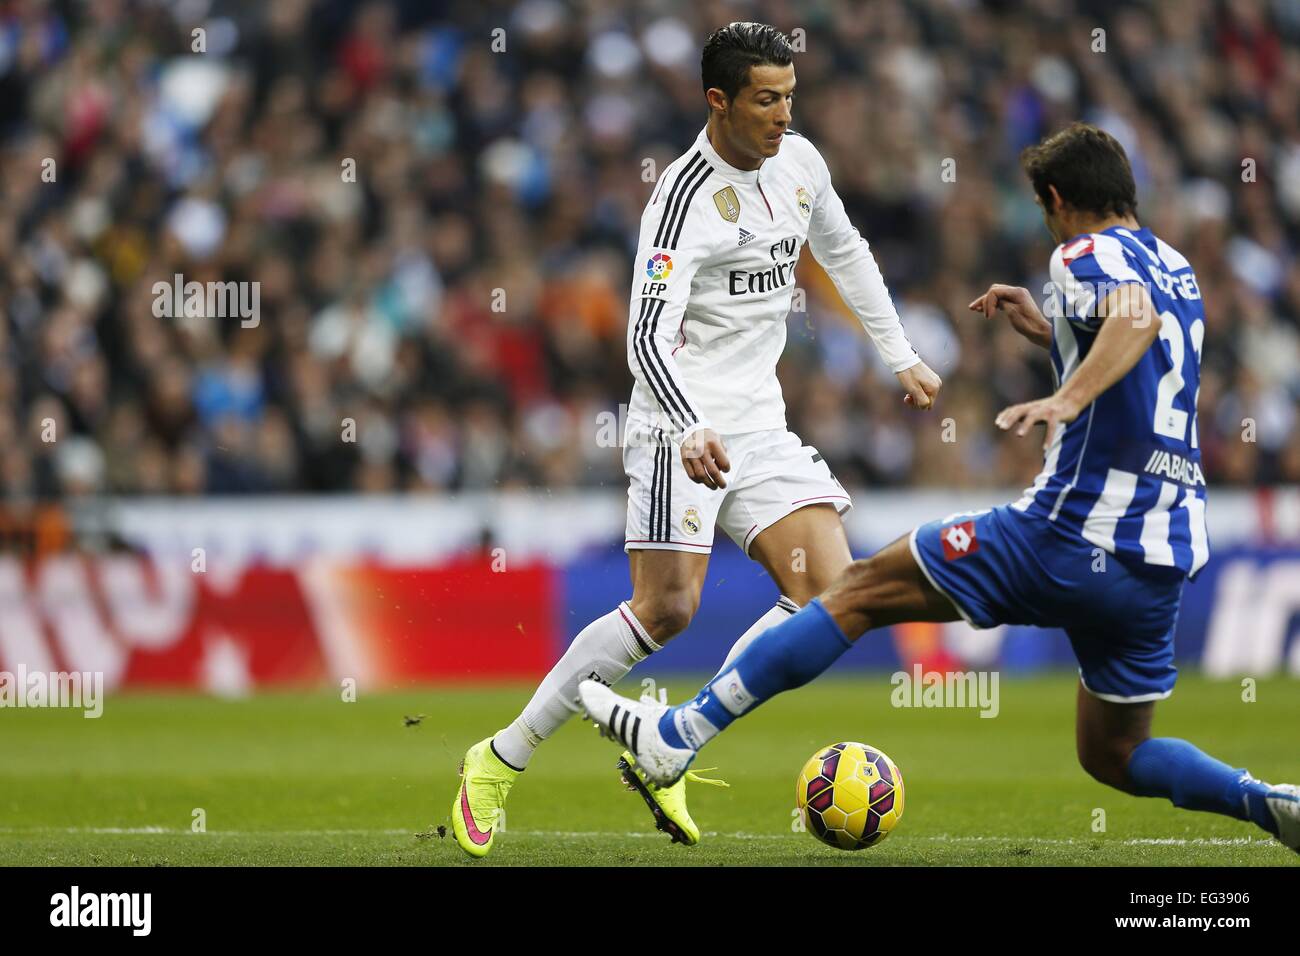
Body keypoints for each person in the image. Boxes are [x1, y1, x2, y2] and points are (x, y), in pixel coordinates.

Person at [579, 122, 1300, 855]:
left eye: (1043, 209)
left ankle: (677, 735)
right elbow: (1145, 353)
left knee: (854, 591)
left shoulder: (1083, 254)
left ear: (1057, 199)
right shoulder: (1176, 267)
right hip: (1160, 556)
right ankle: (1267, 801)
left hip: (1072, 530)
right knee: (1117, 753)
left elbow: (1132, 319)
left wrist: (1066, 396)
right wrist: (1055, 336)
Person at [451, 22, 942, 858]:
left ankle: (671, 741)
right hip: (678, 421)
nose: (784, 115)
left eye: (789, 97)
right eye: (766, 100)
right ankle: (499, 758)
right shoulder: (680, 201)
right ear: (719, 101)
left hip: (759, 421)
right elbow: (645, 338)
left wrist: (899, 353)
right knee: (668, 610)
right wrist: (687, 424)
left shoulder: (801, 163)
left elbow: (846, 251)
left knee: (832, 592)